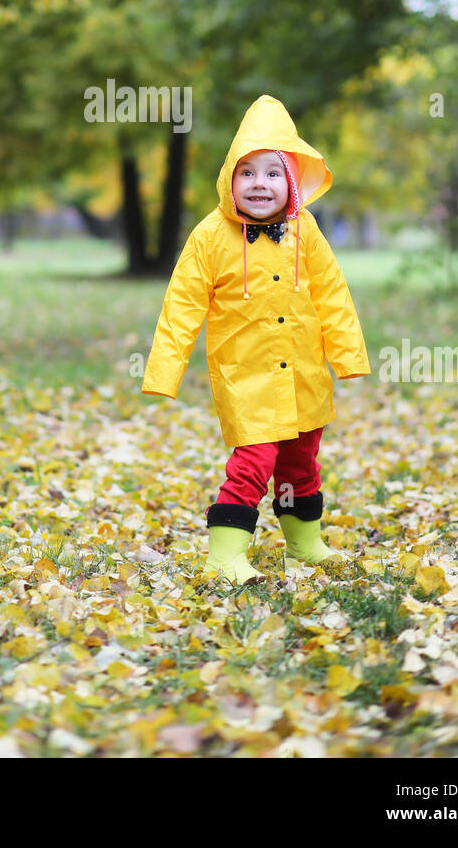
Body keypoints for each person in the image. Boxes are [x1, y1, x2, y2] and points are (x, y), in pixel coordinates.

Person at [141, 94, 371, 584]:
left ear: (290, 181)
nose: (259, 184)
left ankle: (304, 541)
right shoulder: (209, 236)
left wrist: (349, 357)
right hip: (246, 376)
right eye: (247, 172)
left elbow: (333, 294)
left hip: (304, 372)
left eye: (272, 172)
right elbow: (182, 306)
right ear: (229, 179)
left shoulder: (305, 231)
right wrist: (164, 371)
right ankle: (224, 553)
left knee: (300, 459)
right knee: (254, 461)